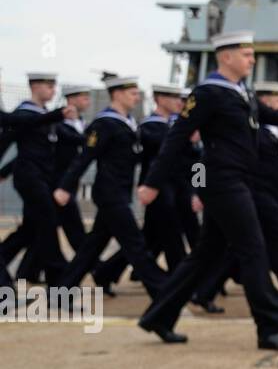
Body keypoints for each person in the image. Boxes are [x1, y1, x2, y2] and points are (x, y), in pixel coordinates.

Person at [136, 31, 278, 348]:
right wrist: (151, 182)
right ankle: (271, 326)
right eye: (246, 55)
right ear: (226, 57)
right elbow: (177, 137)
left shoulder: (240, 91)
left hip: (239, 179)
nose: (253, 59)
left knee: (204, 255)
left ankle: (158, 317)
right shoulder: (207, 93)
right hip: (223, 181)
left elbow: (271, 115)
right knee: (253, 248)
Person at [55, 75, 170, 296]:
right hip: (110, 193)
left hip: (120, 191)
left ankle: (67, 288)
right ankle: (161, 291)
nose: (137, 97)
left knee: (92, 247)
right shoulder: (105, 123)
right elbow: (85, 157)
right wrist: (64, 187)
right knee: (135, 244)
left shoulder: (127, 122)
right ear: (117, 94)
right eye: (132, 93)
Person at [0, 82, 92, 273]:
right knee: (48, 222)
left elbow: (66, 139)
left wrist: (95, 139)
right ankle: (60, 274)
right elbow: (13, 133)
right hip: (33, 178)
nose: (53, 90)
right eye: (48, 86)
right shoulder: (27, 114)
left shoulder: (48, 117)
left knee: (32, 229)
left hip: (46, 179)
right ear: (35, 87)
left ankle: (29, 271)